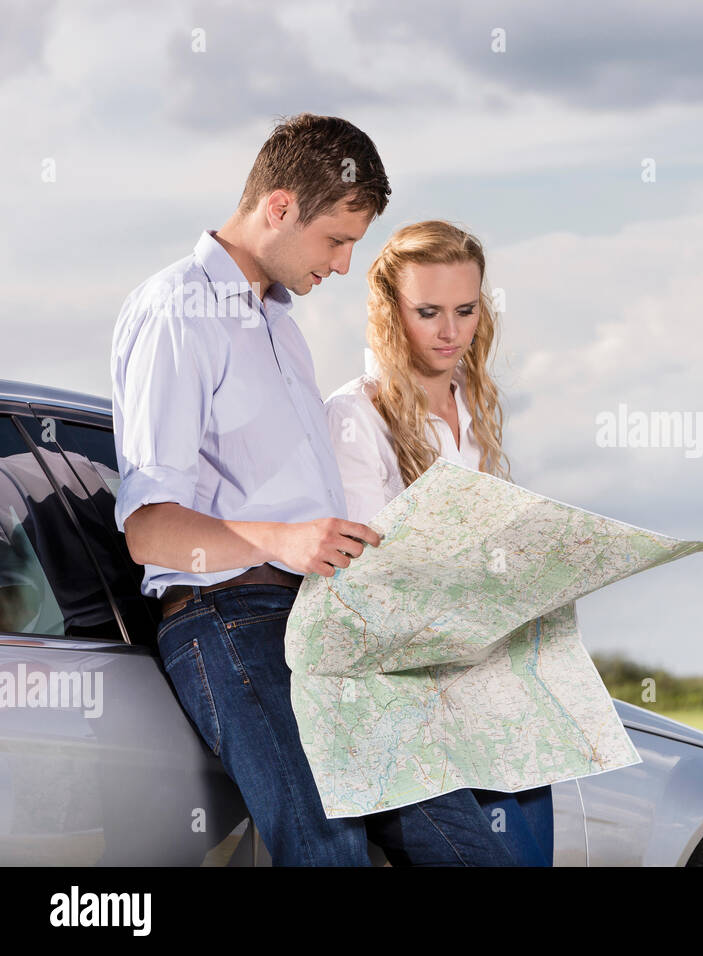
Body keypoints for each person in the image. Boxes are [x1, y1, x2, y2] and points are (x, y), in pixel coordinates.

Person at [111, 115, 518, 866]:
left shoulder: (278, 326)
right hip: (231, 621)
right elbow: (147, 528)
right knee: (327, 854)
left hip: (322, 623)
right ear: (278, 207)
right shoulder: (177, 312)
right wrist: (283, 538)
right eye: (335, 239)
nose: (343, 264)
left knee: (468, 853)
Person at [323, 220, 554, 866]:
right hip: (407, 694)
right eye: (428, 312)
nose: (450, 332)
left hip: (488, 684)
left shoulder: (473, 407)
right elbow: (370, 572)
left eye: (465, 310)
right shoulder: (355, 415)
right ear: (391, 313)